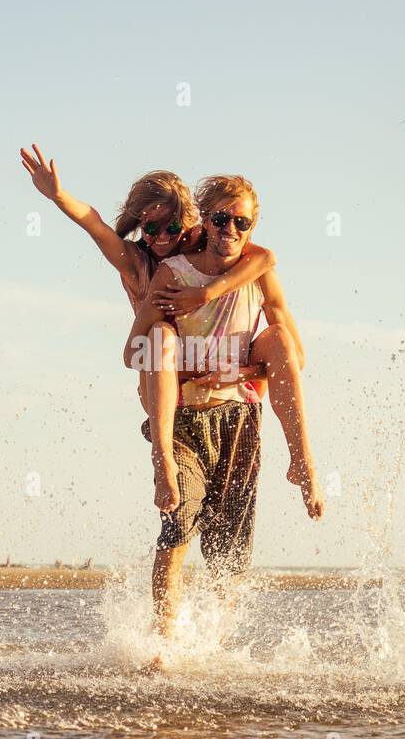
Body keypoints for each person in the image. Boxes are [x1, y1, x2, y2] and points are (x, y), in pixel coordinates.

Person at [21, 147, 322, 515]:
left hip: (221, 376)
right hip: (164, 374)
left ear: (190, 224)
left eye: (172, 227)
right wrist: (58, 196)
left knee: (276, 340)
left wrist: (206, 295)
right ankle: (162, 459)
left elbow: (265, 258)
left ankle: (303, 461)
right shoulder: (137, 264)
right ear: (138, 227)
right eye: (150, 228)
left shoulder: (209, 249)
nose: (161, 237)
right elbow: (96, 226)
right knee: (161, 333)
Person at [124, 175, 320, 641]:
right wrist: (181, 369)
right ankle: (163, 642)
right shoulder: (175, 275)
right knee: (178, 526)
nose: (230, 228)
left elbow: (296, 358)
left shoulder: (260, 270)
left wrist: (240, 373)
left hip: (237, 418)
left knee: (228, 551)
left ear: (252, 225)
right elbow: (134, 352)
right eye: (220, 219)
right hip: (183, 420)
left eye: (241, 221)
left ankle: (304, 460)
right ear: (204, 221)